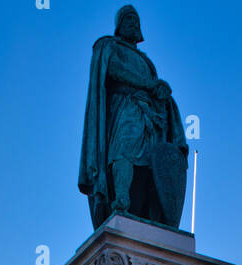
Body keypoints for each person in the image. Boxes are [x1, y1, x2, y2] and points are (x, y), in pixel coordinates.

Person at [79, 6, 189, 229]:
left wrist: (162, 93)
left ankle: (152, 212)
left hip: (152, 116)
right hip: (125, 107)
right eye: (128, 19)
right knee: (123, 151)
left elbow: (156, 91)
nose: (133, 24)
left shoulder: (147, 62)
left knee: (151, 164)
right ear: (118, 26)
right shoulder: (109, 46)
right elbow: (114, 69)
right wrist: (150, 84)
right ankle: (121, 199)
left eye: (136, 20)